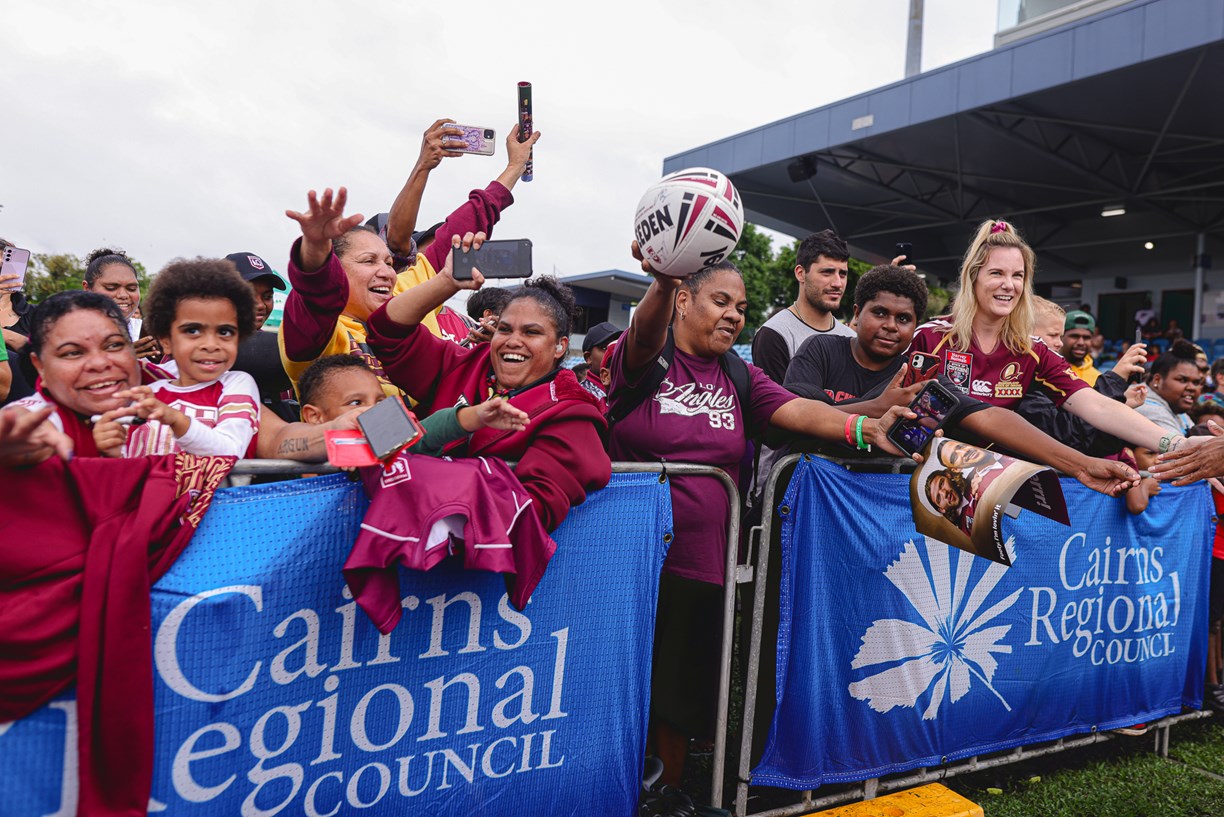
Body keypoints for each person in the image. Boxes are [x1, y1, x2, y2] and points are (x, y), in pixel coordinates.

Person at [606, 247, 927, 787]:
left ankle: (668, 792)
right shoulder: (644, 359)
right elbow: (642, 331)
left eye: (741, 307)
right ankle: (608, 786)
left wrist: (864, 429)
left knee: (682, 685)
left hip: (704, 562)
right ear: (683, 301)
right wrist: (662, 279)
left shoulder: (740, 374)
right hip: (627, 555)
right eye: (720, 301)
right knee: (619, 676)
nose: (734, 315)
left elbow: (799, 411)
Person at [366, 232, 610, 533]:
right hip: (393, 530)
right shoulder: (464, 363)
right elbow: (386, 332)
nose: (513, 341)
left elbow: (531, 511)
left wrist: (428, 482)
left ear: (560, 346)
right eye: (504, 329)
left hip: (466, 550)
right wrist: (445, 282)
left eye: (531, 332)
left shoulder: (572, 414)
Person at [904, 219, 1191, 456]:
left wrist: (1176, 443)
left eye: (1018, 275)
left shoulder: (1032, 350)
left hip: (995, 483)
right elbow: (897, 404)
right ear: (973, 277)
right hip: (918, 476)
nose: (1009, 285)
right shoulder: (930, 338)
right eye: (996, 273)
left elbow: (1097, 406)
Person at [93, 259, 260, 458]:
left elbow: (230, 450)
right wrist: (111, 450)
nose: (211, 344)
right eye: (193, 331)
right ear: (166, 341)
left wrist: (177, 420)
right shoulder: (150, 394)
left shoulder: (236, 384)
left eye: (225, 332)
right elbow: (129, 463)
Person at [296, 354, 529, 453]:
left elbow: (426, 433)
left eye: (380, 401)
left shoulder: (389, 446)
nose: (373, 411)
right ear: (315, 417)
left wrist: (476, 416)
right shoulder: (288, 465)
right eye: (356, 402)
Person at [751, 229, 854, 384]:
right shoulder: (775, 334)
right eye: (827, 272)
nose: (837, 283)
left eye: (843, 274)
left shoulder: (852, 338)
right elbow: (775, 400)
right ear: (800, 273)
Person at [226, 252, 298, 421]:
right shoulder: (197, 348)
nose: (260, 305)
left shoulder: (277, 344)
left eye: (267, 297)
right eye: (248, 295)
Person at [82, 248, 160, 361]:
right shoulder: (69, 331)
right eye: (111, 288)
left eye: (131, 288)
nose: (123, 295)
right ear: (87, 289)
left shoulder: (148, 332)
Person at [1136, 340, 1203, 436]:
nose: (1192, 388)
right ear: (1157, 380)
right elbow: (1182, 445)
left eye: (1196, 382)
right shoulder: (1150, 410)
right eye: (1182, 380)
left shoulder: (1176, 408)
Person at [579, 320, 622, 405]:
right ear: (588, 357)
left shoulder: (628, 392)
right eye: (605, 348)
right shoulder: (579, 396)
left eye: (618, 346)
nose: (614, 352)